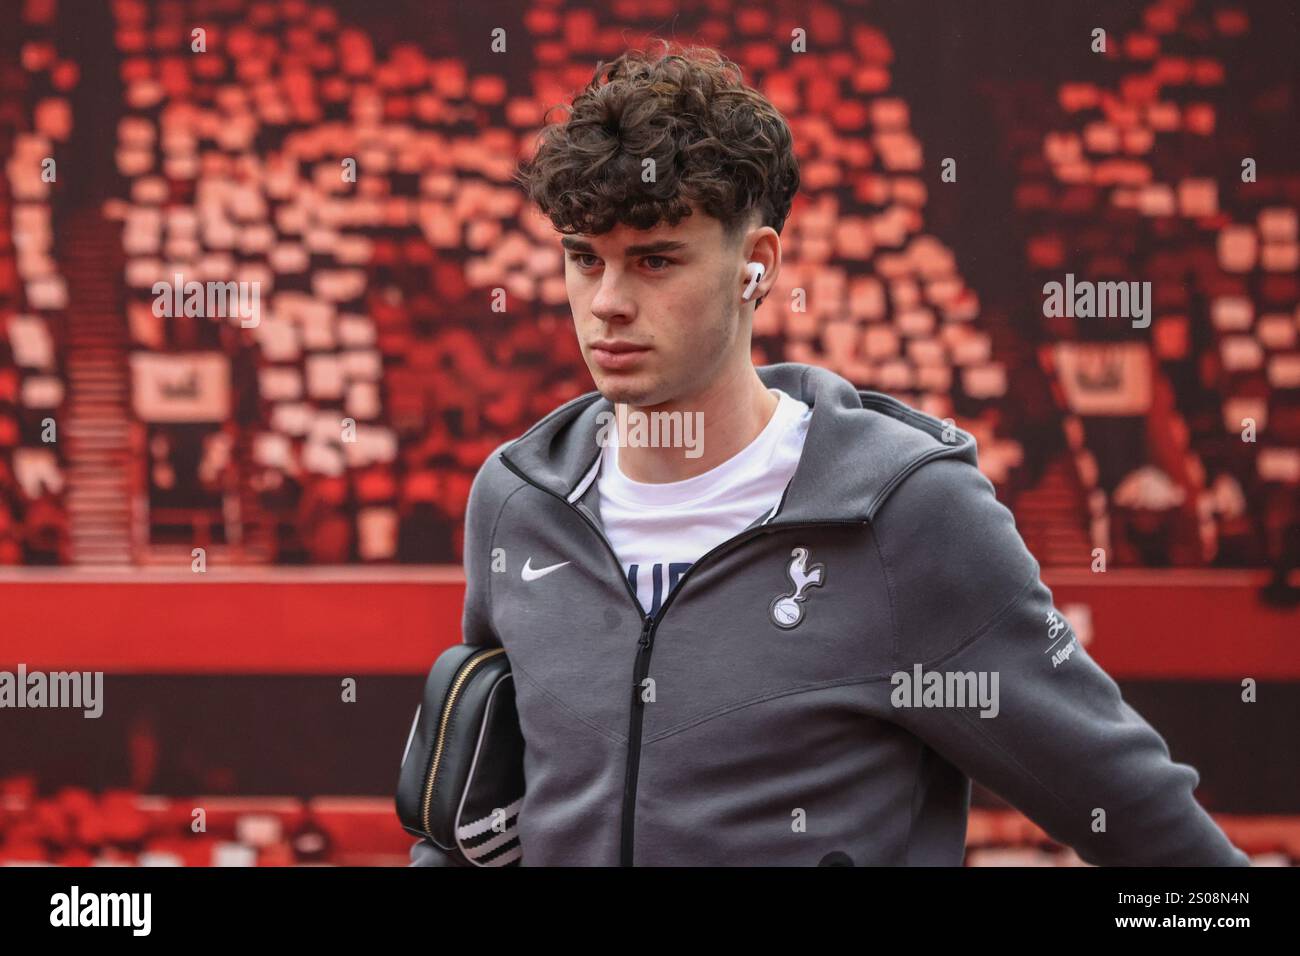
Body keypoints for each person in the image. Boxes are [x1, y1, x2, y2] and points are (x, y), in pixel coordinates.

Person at [409, 43, 1248, 866]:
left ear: (756, 266)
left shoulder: (908, 515)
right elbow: (476, 817)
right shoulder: (517, 501)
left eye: (654, 260)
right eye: (583, 259)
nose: (608, 304)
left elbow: (1146, 826)